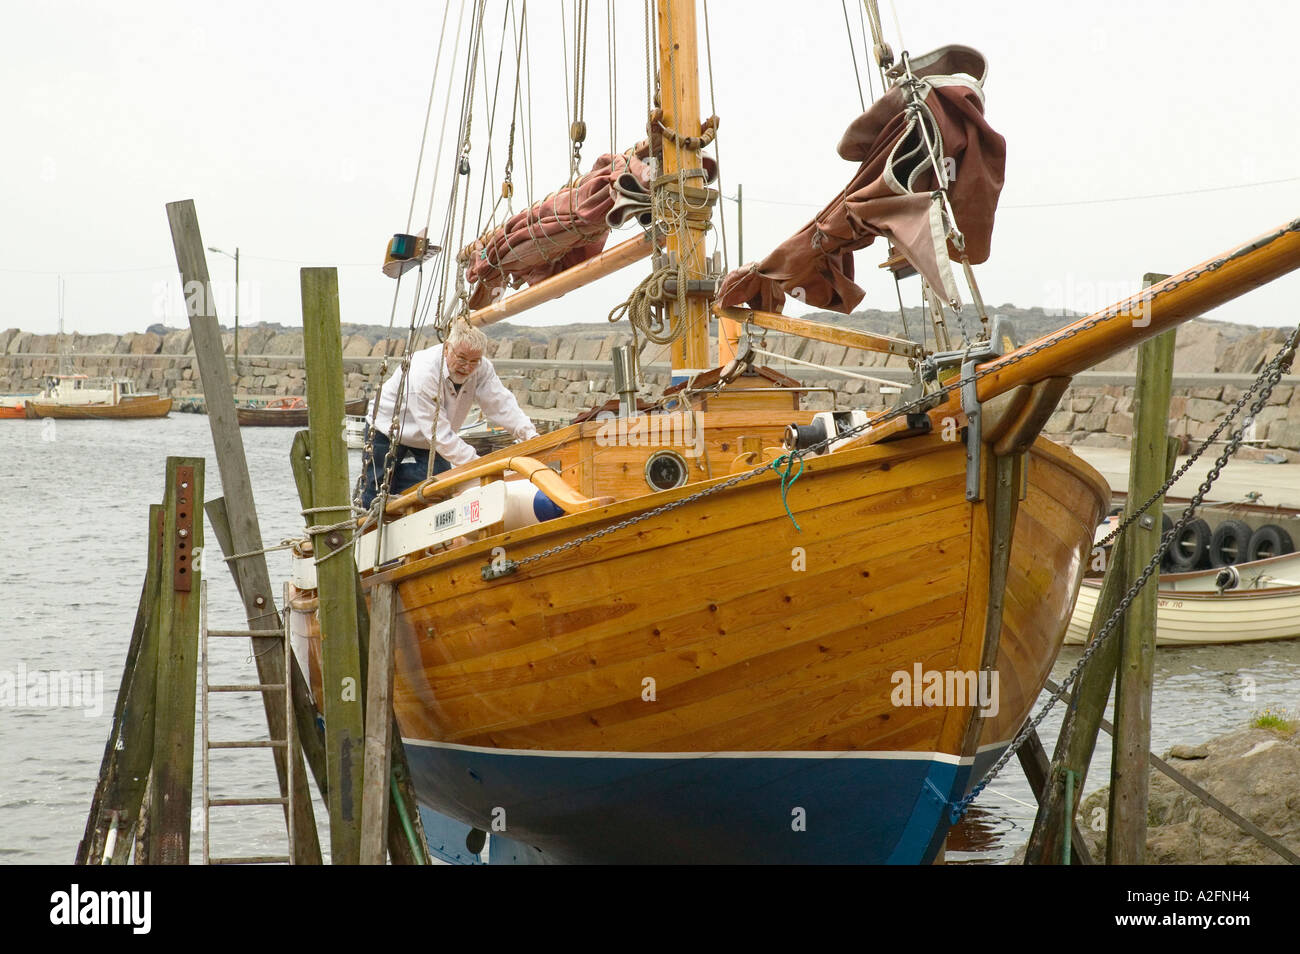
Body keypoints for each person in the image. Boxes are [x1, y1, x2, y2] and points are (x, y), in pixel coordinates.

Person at [360, 318, 538, 507]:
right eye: (461, 358)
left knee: (440, 482)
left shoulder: (481, 368)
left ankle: (392, 486)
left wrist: (530, 435)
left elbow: (501, 404)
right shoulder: (423, 373)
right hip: (388, 428)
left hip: (429, 438)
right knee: (375, 490)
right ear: (447, 348)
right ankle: (376, 497)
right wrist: (480, 466)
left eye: (474, 361)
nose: (467, 367)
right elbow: (439, 434)